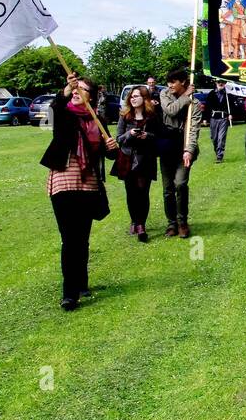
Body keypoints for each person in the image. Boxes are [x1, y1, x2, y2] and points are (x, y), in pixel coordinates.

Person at [40, 73, 119, 311]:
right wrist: (66, 89)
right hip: (63, 181)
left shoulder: (98, 120)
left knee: (82, 238)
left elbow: (109, 155)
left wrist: (113, 148)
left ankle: (82, 283)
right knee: (69, 239)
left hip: (88, 183)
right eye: (74, 89)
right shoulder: (64, 114)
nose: (76, 91)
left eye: (81, 89)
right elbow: (56, 106)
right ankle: (69, 293)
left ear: (92, 97)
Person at [158, 69, 204, 238]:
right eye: (168, 81)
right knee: (168, 188)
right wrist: (185, 97)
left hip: (183, 149)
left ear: (183, 82)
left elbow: (193, 130)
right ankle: (171, 223)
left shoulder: (196, 105)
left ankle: (182, 221)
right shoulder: (164, 94)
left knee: (180, 184)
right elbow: (170, 110)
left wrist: (189, 150)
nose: (169, 85)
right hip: (166, 147)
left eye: (173, 82)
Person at [115, 85, 160, 243]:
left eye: (136, 96)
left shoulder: (152, 116)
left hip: (145, 159)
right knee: (131, 192)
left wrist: (147, 136)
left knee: (143, 191)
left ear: (144, 98)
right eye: (131, 96)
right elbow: (118, 139)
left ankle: (141, 224)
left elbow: (157, 137)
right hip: (127, 158)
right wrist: (130, 134)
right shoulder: (124, 115)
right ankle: (134, 220)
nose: (133, 98)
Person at [202, 82, 231, 163]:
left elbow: (231, 105)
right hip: (213, 119)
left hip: (223, 119)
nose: (220, 84)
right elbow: (207, 106)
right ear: (216, 83)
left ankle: (219, 156)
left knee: (221, 138)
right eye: (219, 82)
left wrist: (231, 114)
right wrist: (205, 118)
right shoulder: (211, 93)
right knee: (214, 138)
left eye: (222, 82)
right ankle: (217, 152)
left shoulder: (227, 94)